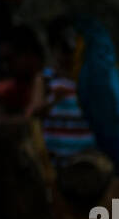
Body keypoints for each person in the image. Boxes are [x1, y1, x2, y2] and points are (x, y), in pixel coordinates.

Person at [40, 16, 95, 163]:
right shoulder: (44, 80)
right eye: (65, 50)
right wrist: (51, 101)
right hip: (53, 163)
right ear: (52, 48)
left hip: (87, 164)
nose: (71, 56)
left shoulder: (93, 82)